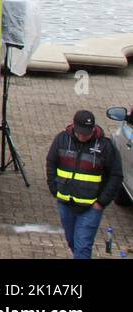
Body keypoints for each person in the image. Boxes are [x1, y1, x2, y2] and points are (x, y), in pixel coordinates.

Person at [45, 109, 123, 259]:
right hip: (65, 203)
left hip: (91, 207)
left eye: (87, 133)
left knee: (83, 245)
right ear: (73, 126)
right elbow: (51, 163)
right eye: (80, 132)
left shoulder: (105, 146)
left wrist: (101, 202)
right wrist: (54, 188)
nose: (83, 136)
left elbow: (116, 175)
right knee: (72, 241)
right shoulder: (61, 140)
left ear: (93, 129)